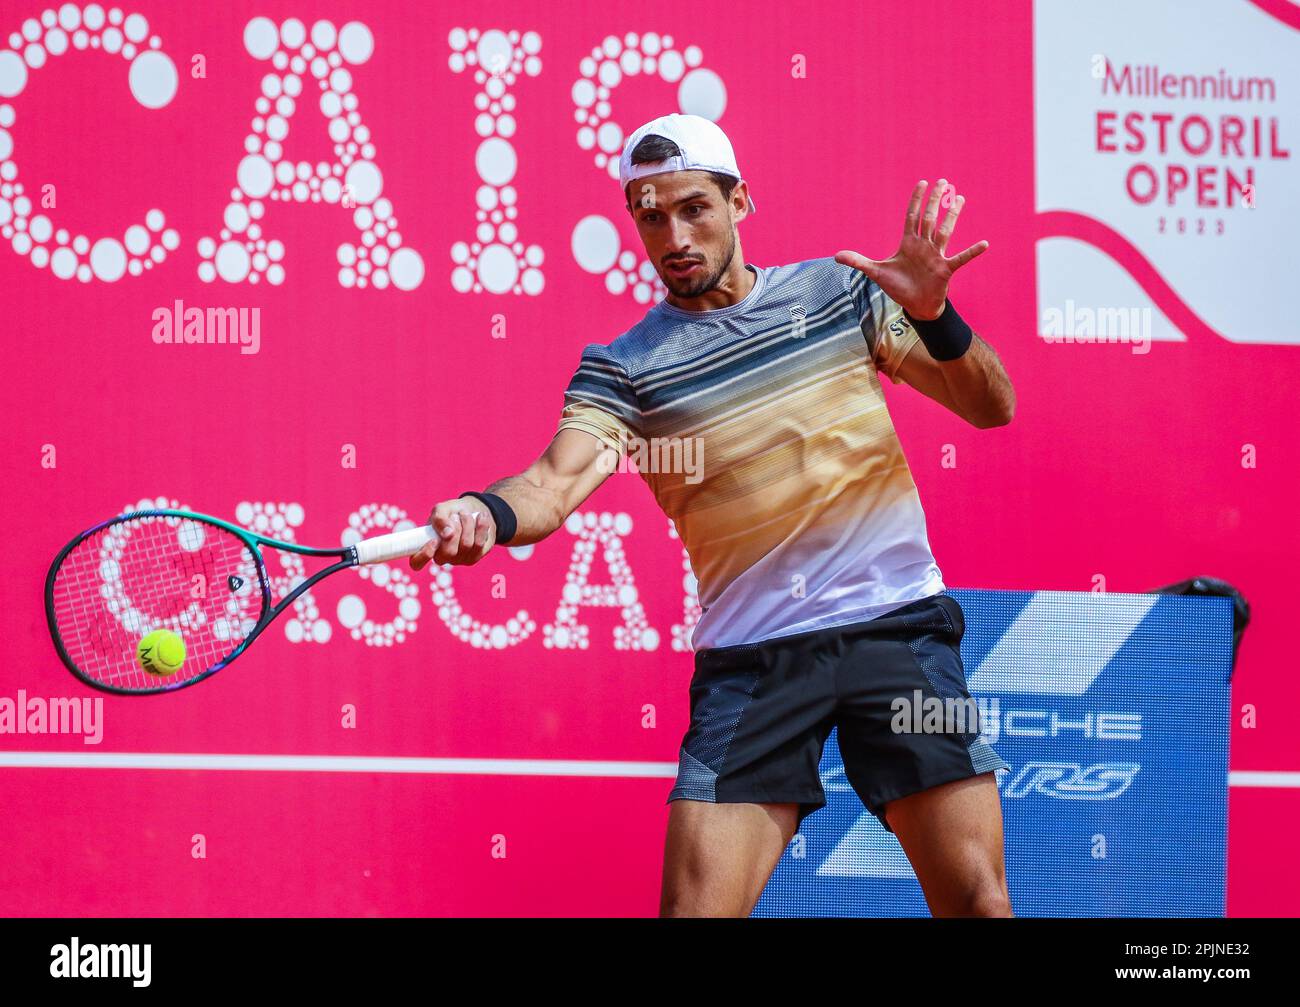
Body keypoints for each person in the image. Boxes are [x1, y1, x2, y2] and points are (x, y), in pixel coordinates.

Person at [410, 113, 1017, 918]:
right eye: (651, 216)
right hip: (753, 663)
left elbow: (992, 406)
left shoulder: (840, 294)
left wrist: (937, 316)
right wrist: (483, 510)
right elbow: (551, 485)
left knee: (977, 901)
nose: (674, 237)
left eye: (694, 207)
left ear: (740, 202)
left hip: (897, 631)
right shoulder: (625, 368)